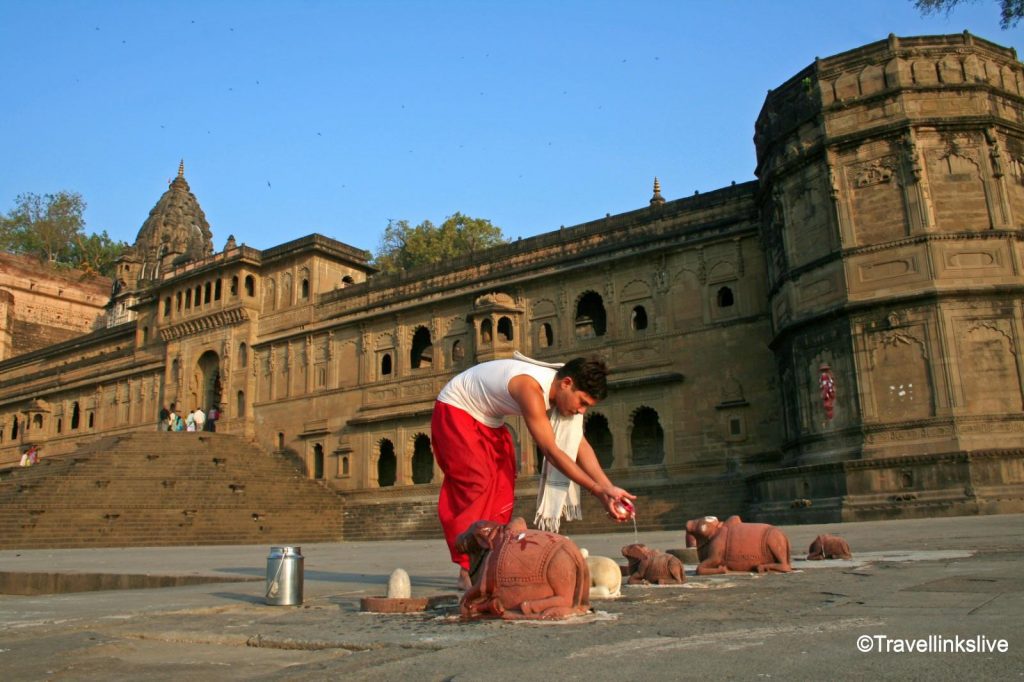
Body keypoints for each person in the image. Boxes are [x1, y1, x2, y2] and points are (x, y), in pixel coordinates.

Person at [432, 354, 635, 590]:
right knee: (477, 484)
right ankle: (468, 568)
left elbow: (579, 444)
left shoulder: (560, 390)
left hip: (489, 420)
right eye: (582, 403)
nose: (581, 411)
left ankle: (489, 559)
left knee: (502, 487)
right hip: (455, 410)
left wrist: (608, 488)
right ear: (566, 383)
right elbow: (551, 450)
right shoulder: (530, 388)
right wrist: (596, 491)